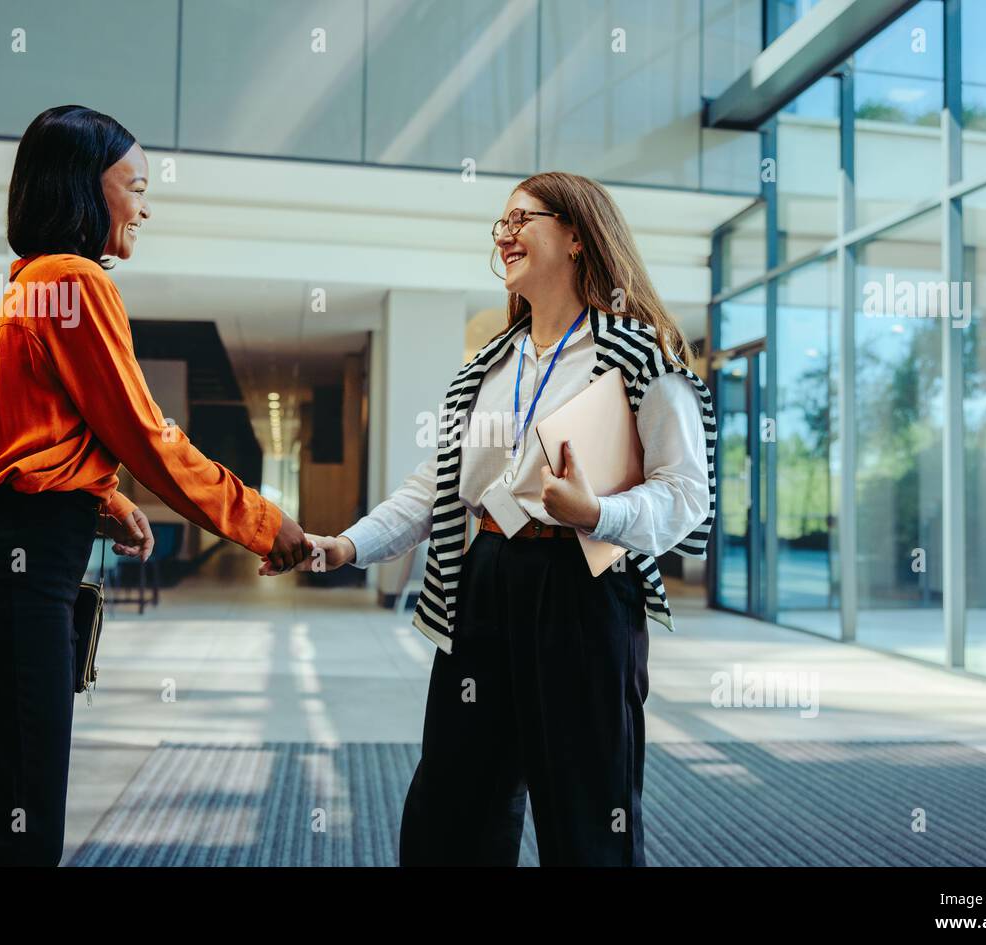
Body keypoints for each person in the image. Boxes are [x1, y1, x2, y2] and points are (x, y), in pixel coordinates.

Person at [270, 172, 716, 866]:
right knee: (454, 805)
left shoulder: (634, 354)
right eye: (498, 224)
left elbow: (687, 495)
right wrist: (347, 545)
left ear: (576, 235)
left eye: (521, 218)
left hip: (581, 591)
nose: (503, 233)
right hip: (484, 582)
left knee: (586, 809)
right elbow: (438, 487)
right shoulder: (485, 367)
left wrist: (596, 510)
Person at [0, 105, 313, 866]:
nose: (145, 204)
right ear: (82, 186)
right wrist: (269, 523)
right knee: (26, 831)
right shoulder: (75, 282)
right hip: (22, 574)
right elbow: (147, 435)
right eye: (134, 185)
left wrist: (101, 500)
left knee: (7, 818)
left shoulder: (28, 288)